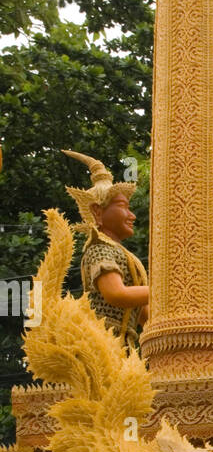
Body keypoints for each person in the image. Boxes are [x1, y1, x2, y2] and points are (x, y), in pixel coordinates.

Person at [63, 150, 148, 351]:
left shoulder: (127, 257)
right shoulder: (98, 249)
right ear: (98, 212)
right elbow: (116, 294)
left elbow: (146, 316)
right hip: (101, 344)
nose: (132, 215)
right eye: (123, 206)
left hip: (126, 346)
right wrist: (164, 292)